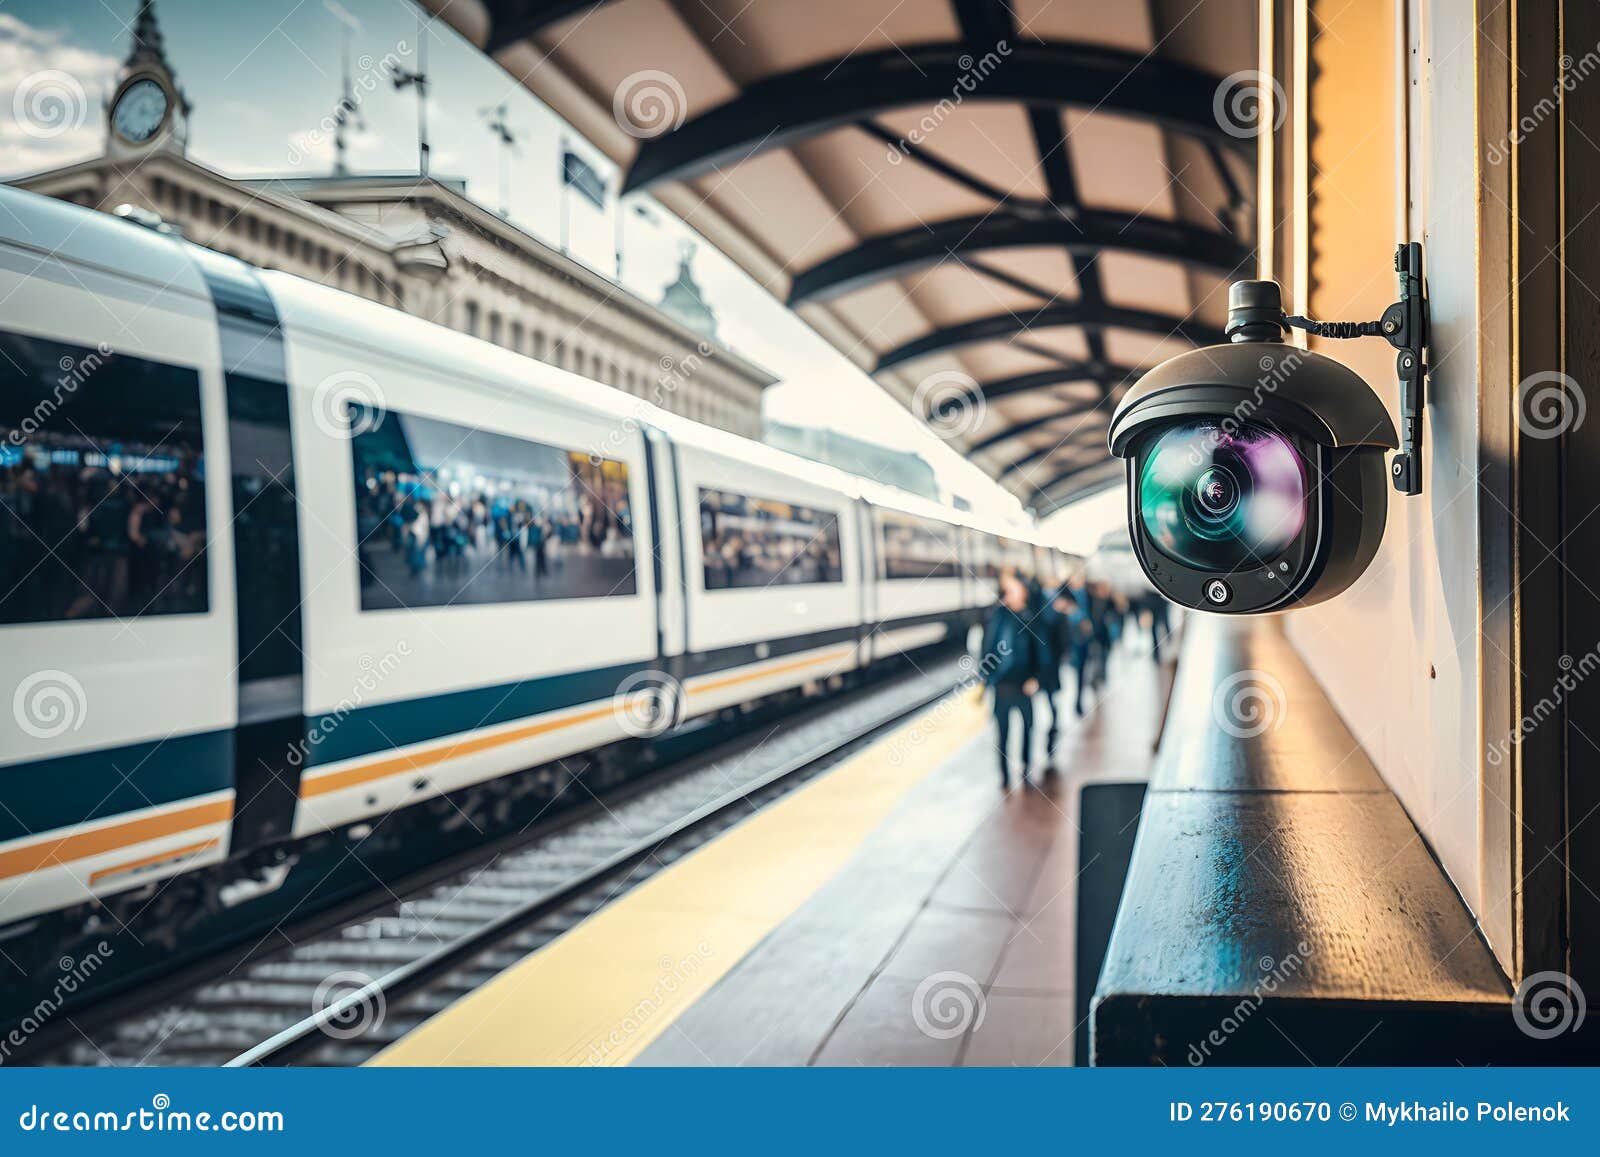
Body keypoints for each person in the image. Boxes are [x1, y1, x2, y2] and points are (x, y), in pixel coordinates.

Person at [982, 571, 1041, 790]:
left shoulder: (1031, 617)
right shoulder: (998, 616)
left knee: (1028, 728)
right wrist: (987, 678)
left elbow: (1038, 650)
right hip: (1002, 686)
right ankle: (1004, 775)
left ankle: (1026, 767)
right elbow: (988, 647)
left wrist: (1035, 677)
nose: (1013, 594)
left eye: (1016, 590)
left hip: (1024, 685)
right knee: (1003, 734)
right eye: (1009, 590)